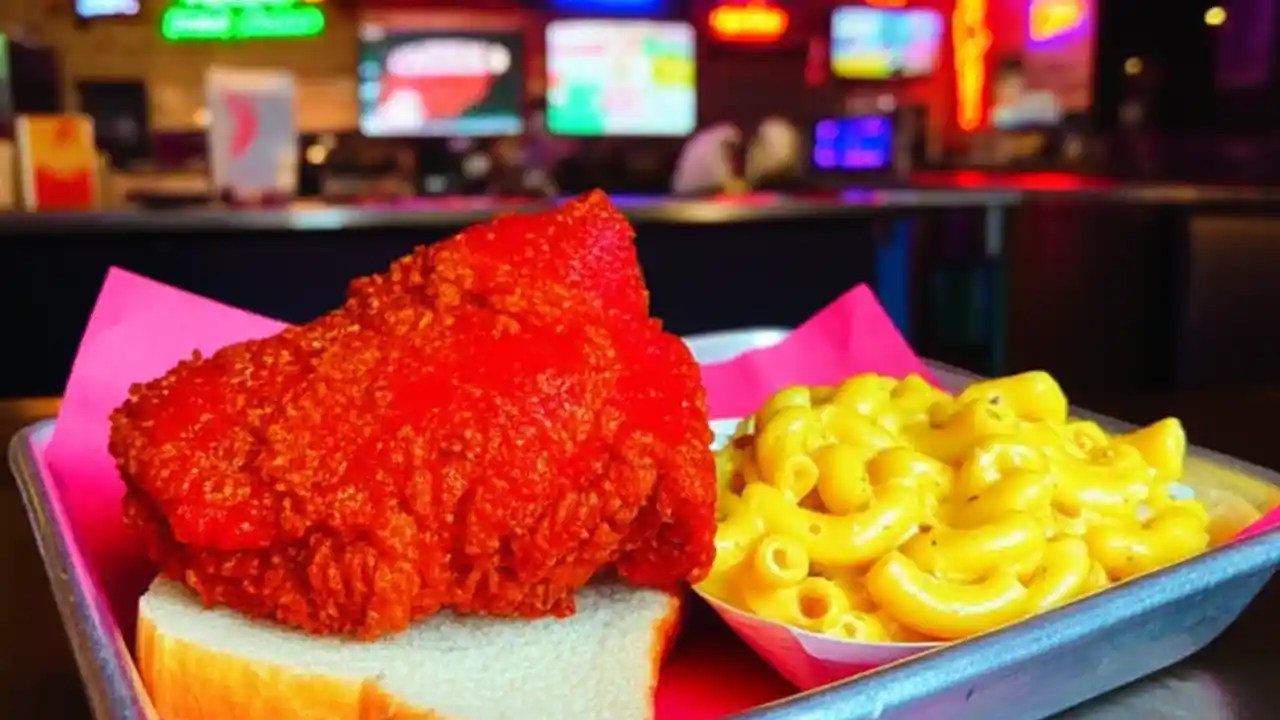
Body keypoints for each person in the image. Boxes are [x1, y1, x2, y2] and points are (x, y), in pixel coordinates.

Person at [670, 122, 744, 196]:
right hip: (693, 194)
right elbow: (721, 177)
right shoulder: (715, 146)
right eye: (732, 147)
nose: (731, 153)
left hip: (681, 192)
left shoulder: (702, 139)